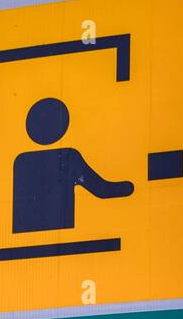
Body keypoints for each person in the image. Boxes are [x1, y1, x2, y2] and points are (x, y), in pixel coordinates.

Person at [13, 97, 133, 234]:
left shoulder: (21, 161)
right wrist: (129, 187)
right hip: (61, 236)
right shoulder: (68, 156)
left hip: (25, 237)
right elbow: (101, 189)